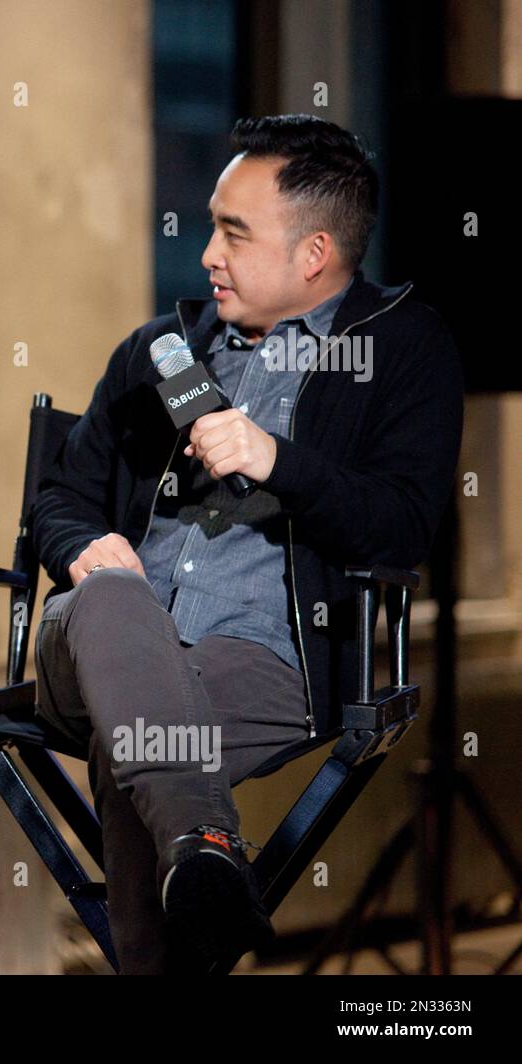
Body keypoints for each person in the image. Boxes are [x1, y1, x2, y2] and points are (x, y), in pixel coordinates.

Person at [30, 114, 463, 974]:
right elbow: (60, 498)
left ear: (313, 253)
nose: (206, 256)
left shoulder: (406, 348)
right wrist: (80, 551)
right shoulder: (161, 353)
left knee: (140, 747)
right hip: (94, 641)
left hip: (273, 662)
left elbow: (403, 525)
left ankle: (188, 884)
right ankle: (205, 842)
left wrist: (278, 462)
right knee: (116, 604)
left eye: (233, 232)